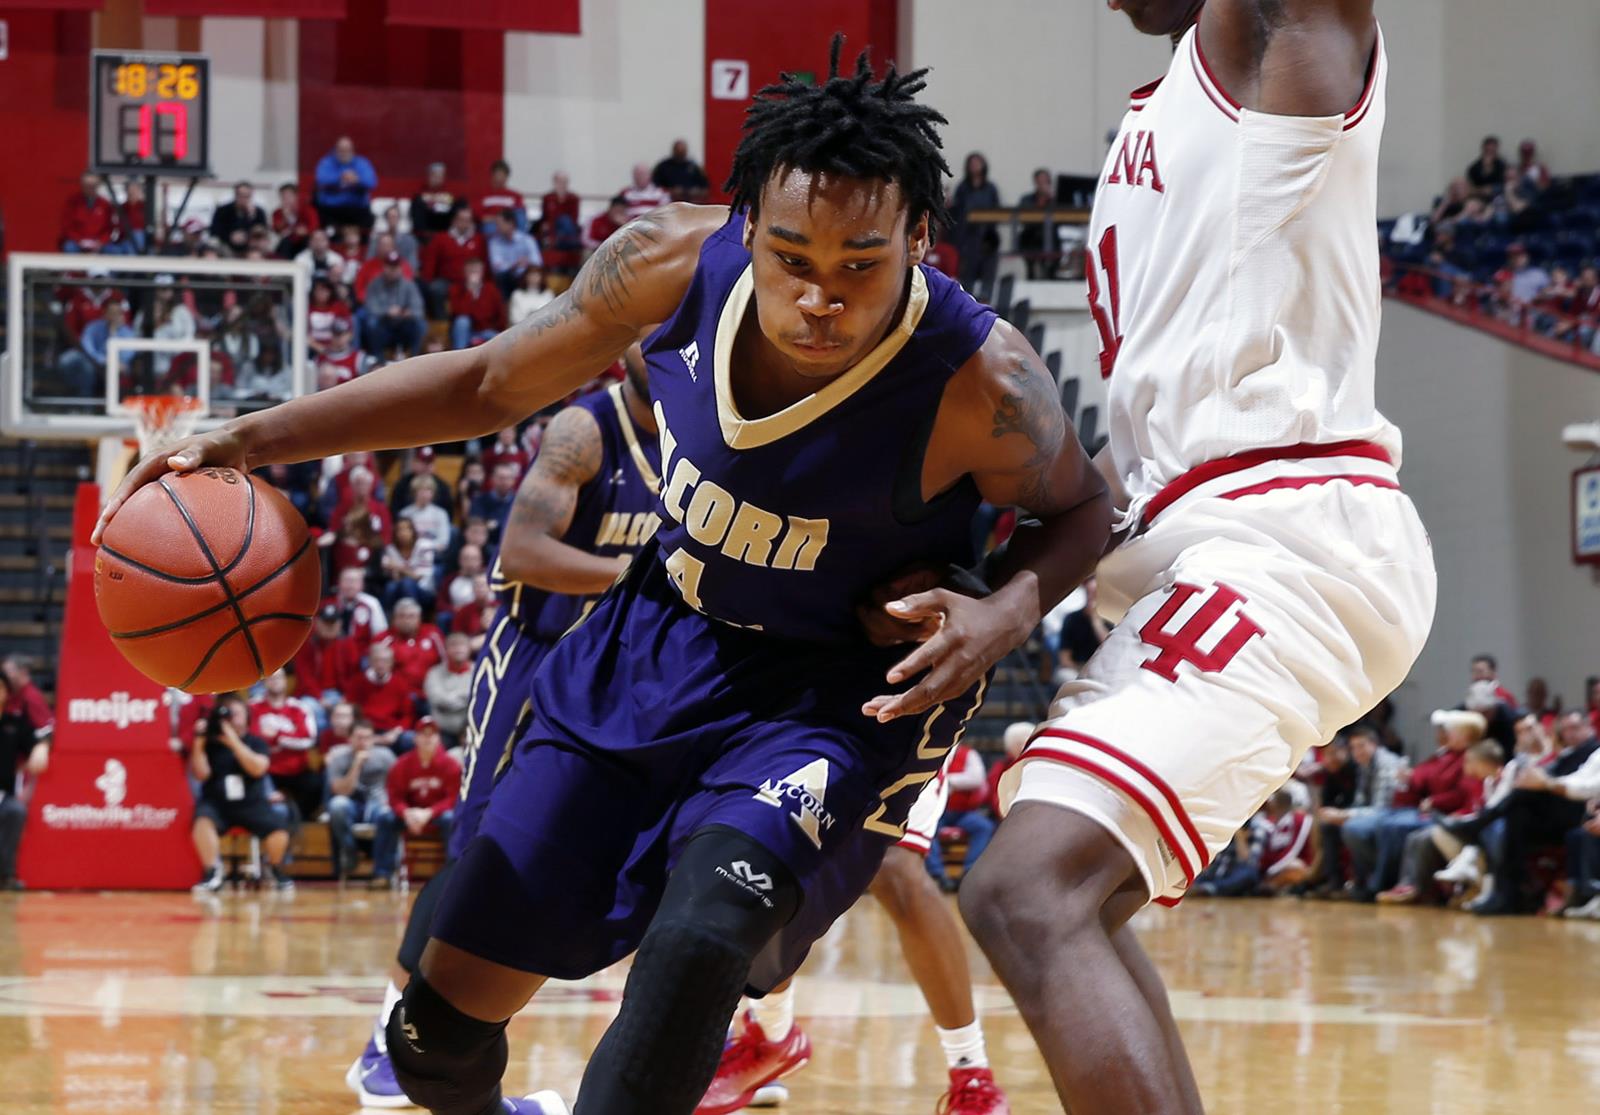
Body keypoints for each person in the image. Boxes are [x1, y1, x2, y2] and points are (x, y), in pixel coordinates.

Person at [98, 40, 1108, 1115]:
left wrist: (1004, 608)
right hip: (650, 648)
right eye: (789, 258)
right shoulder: (671, 263)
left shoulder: (981, 379)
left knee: (702, 937)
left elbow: (1083, 507)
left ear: (919, 238)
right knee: (434, 1041)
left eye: (859, 263)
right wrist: (248, 440)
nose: (820, 296)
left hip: (823, 699)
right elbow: (488, 381)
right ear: (742, 229)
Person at [962, 5, 1438, 1112]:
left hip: (1286, 531)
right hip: (1191, 542)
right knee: (1055, 894)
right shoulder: (1174, 98)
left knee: (1029, 892)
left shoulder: (1276, 47)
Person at [345, 358, 662, 1108]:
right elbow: (520, 554)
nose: (674, 336)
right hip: (537, 660)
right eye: (658, 324)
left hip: (623, 672)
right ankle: (386, 1043)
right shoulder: (586, 428)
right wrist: (641, 574)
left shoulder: (704, 435)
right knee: (478, 858)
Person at [703, 752, 1013, 1115]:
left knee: (895, 868)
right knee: (767, 860)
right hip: (806, 716)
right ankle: (772, 1037)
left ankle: (971, 1072)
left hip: (905, 718)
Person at [191, 694, 293, 893]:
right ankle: (212, 872)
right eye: (227, 714)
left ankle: (274, 868)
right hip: (217, 802)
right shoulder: (209, 743)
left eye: (235, 713)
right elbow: (201, 774)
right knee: (202, 820)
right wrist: (198, 742)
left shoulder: (256, 743)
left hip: (251, 803)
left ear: (247, 716)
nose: (231, 718)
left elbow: (258, 768)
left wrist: (232, 741)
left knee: (278, 828)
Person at [373, 718, 461, 889]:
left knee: (451, 819)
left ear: (438, 738)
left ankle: (452, 873)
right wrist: (407, 813)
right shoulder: (402, 764)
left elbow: (453, 798)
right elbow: (394, 797)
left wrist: (429, 813)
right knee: (385, 817)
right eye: (423, 734)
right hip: (410, 814)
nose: (427, 738)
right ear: (415, 738)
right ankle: (382, 874)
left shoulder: (451, 765)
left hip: (436, 815)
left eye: (432, 734)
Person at [326, 718, 399, 881]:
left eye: (368, 737)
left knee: (387, 814)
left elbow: (398, 785)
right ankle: (349, 851)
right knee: (336, 805)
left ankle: (382, 872)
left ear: (373, 739)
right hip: (351, 803)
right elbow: (341, 791)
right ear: (349, 738)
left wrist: (390, 802)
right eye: (359, 737)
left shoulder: (386, 756)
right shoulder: (338, 757)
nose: (363, 742)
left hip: (377, 803)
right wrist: (356, 765)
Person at [249, 669, 323, 822]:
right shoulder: (253, 707)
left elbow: (308, 739)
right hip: (265, 771)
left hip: (296, 771)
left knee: (316, 783)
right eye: (271, 678)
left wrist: (277, 736)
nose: (275, 681)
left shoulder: (299, 708)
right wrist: (289, 736)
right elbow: (252, 738)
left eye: (279, 677)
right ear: (264, 682)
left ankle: (300, 821)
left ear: (286, 681)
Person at [0, 673, 49, 891]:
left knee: (16, 811)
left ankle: (6, 874)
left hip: (4, 795)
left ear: (7, 693)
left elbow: (38, 737)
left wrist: (41, 747)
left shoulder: (15, 723)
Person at [423, 207, 489, 319]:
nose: (464, 223)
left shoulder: (479, 240)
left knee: (487, 291)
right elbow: (430, 261)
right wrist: (427, 279)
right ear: (454, 221)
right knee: (436, 289)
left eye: (468, 220)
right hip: (447, 280)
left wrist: (484, 280)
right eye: (461, 219)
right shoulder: (441, 238)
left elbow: (485, 261)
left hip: (472, 279)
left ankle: (478, 323)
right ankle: (442, 322)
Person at [59, 300, 133, 397]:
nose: (114, 316)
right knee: (67, 360)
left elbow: (126, 356)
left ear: (121, 316)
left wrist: (113, 332)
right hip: (94, 361)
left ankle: (108, 404)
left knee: (116, 368)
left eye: (117, 313)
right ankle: (79, 396)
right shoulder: (93, 327)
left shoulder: (127, 332)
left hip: (117, 365)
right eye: (111, 313)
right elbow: (87, 348)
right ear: (105, 314)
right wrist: (103, 360)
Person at [948, 153, 1000, 289]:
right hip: (967, 237)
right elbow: (958, 211)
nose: (975, 166)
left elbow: (996, 211)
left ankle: (986, 298)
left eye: (977, 163)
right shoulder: (962, 187)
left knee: (989, 267)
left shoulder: (990, 188)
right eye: (972, 163)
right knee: (967, 274)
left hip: (986, 236)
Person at [363, 253, 427, 359]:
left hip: (404, 324)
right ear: (384, 267)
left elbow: (418, 308)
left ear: (400, 268)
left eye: (395, 267)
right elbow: (370, 307)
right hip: (384, 325)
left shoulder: (409, 285)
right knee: (371, 322)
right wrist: (386, 311)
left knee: (420, 324)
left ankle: (415, 357)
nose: (393, 270)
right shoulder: (374, 284)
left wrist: (408, 312)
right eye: (390, 266)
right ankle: (377, 360)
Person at [424, 633, 476, 748]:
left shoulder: (479, 671)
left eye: (462, 645)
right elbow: (438, 700)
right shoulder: (434, 673)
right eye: (453, 645)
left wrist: (450, 699)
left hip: (471, 731)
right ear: (446, 649)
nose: (458, 649)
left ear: (469, 649)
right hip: (442, 731)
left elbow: (479, 698)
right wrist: (465, 698)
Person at [316, 136, 378, 231]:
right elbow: (321, 180)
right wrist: (340, 177)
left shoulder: (362, 163)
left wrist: (357, 180)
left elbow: (372, 183)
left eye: (347, 150)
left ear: (352, 150)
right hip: (332, 209)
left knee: (368, 220)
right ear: (335, 150)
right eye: (341, 150)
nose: (344, 153)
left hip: (357, 209)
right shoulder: (326, 163)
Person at [449, 258, 507, 351]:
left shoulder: (491, 289)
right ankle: (459, 357)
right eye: (471, 271)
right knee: (462, 321)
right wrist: (470, 292)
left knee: (498, 340)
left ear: (482, 272)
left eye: (476, 271)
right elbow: (459, 312)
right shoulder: (456, 289)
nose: (474, 274)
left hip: (486, 330)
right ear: (464, 272)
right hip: (466, 332)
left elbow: (499, 313)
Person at [60, 172, 124, 254]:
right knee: (69, 247)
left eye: (93, 186)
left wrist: (100, 242)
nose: (90, 188)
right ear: (82, 186)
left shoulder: (105, 204)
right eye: (87, 185)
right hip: (78, 241)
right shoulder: (73, 203)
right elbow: (67, 226)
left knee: (116, 251)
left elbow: (110, 228)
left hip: (99, 242)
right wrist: (80, 241)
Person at [487, 210, 542, 300]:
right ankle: (506, 308)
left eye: (499, 224)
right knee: (502, 277)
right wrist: (514, 265)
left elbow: (538, 262)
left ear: (510, 223)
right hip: (507, 278)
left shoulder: (527, 240)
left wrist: (527, 263)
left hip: (525, 276)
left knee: (532, 275)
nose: (497, 228)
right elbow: (496, 267)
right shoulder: (494, 242)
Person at [210, 181, 269, 252]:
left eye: (247, 196)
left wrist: (251, 217)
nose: (244, 199)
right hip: (226, 244)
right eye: (241, 195)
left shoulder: (258, 212)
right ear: (236, 195)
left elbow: (262, 230)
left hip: (249, 245)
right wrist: (230, 236)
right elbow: (214, 230)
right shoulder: (223, 210)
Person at [412, 163, 463, 240]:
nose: (437, 178)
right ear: (428, 176)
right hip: (426, 235)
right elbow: (418, 220)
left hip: (446, 234)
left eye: (440, 176)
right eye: (434, 175)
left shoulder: (450, 196)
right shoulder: (420, 196)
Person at [475, 160, 526, 232]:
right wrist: (497, 219)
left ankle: (520, 240)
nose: (500, 178)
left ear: (507, 177)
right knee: (489, 227)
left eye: (503, 175)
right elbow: (480, 216)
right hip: (492, 227)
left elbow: (519, 217)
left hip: (510, 228)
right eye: (498, 174)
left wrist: (505, 222)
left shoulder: (515, 196)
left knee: (519, 213)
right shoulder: (483, 195)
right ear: (492, 175)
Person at [273, 182, 320, 259]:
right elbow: (276, 229)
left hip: (304, 242)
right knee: (284, 245)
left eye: (288, 196)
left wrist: (304, 231)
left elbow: (314, 226)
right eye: (283, 197)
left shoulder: (307, 210)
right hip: (288, 243)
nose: (286, 199)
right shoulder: (277, 213)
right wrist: (285, 218)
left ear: (296, 196)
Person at [1466, 136, 1508, 200]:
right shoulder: (1474, 168)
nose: (1490, 154)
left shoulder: (1502, 166)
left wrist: (1492, 189)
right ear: (1483, 149)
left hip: (1498, 198)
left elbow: (1505, 185)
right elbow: (1470, 188)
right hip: (1478, 198)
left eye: (1492, 151)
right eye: (1488, 151)